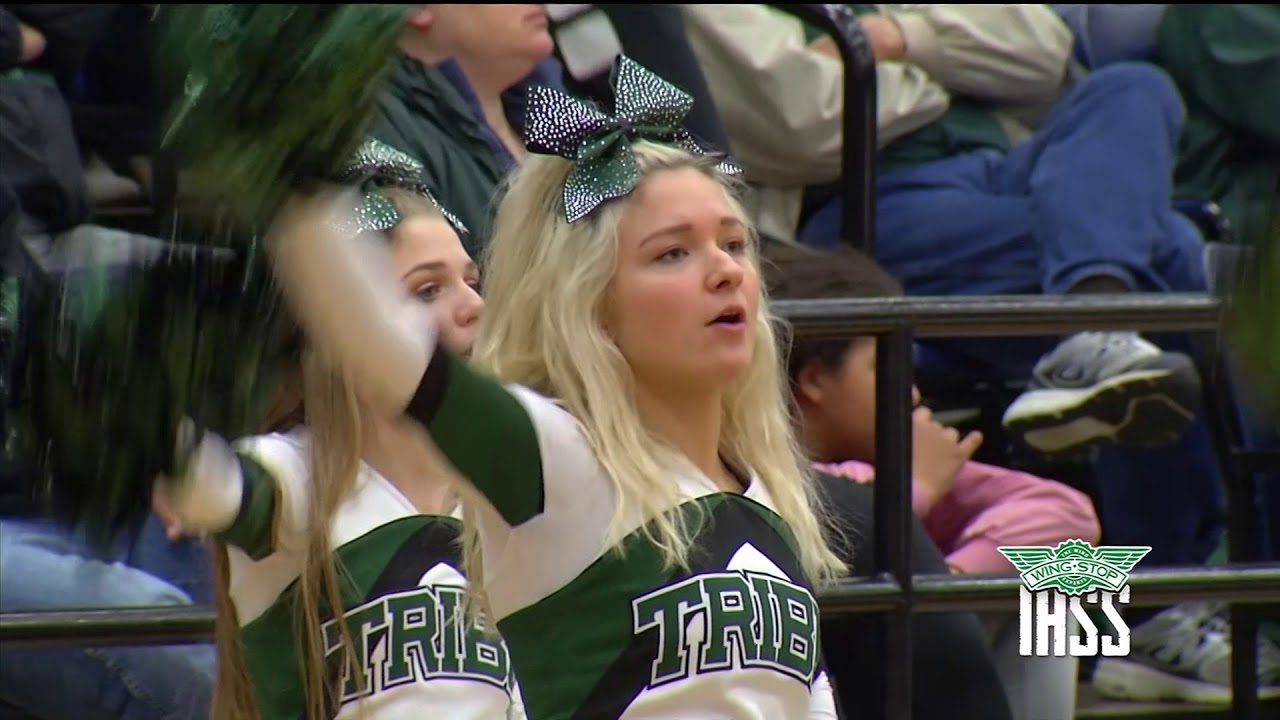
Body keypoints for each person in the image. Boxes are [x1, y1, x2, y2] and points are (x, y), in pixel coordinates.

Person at [256, 56, 846, 719]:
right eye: (672, 253)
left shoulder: (769, 488)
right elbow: (390, 354)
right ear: (588, 305)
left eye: (734, 244)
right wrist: (291, 171)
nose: (724, 272)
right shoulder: (559, 461)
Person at [151, 140, 523, 720]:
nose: (473, 305)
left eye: (471, 280)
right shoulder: (296, 476)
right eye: (428, 289)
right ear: (340, 328)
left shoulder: (508, 489)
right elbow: (210, 484)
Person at [761, 241, 1100, 720]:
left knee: (1061, 571)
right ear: (815, 380)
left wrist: (948, 580)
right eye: (884, 367)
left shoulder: (894, 460)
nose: (913, 391)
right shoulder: (761, 474)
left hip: (924, 663)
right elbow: (829, 536)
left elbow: (1068, 513)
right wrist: (914, 491)